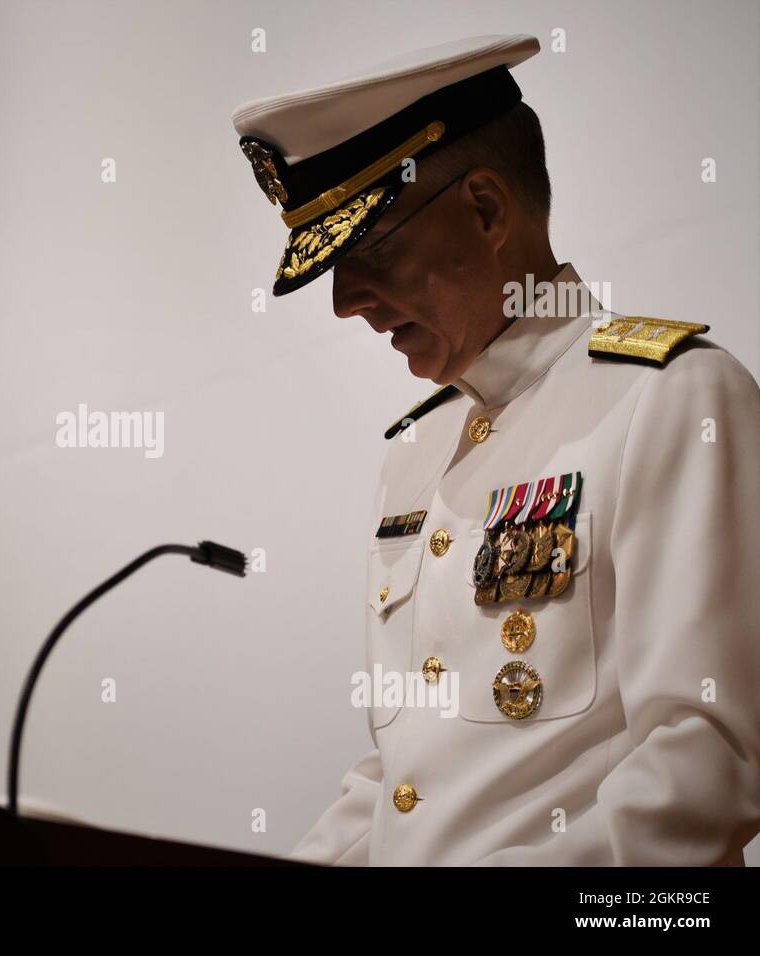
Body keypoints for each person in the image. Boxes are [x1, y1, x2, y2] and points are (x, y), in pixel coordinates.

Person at [232, 34, 760, 865]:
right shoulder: (416, 452)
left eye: (368, 252)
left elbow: (705, 761)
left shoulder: (672, 398)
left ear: (485, 209)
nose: (344, 304)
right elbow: (398, 781)